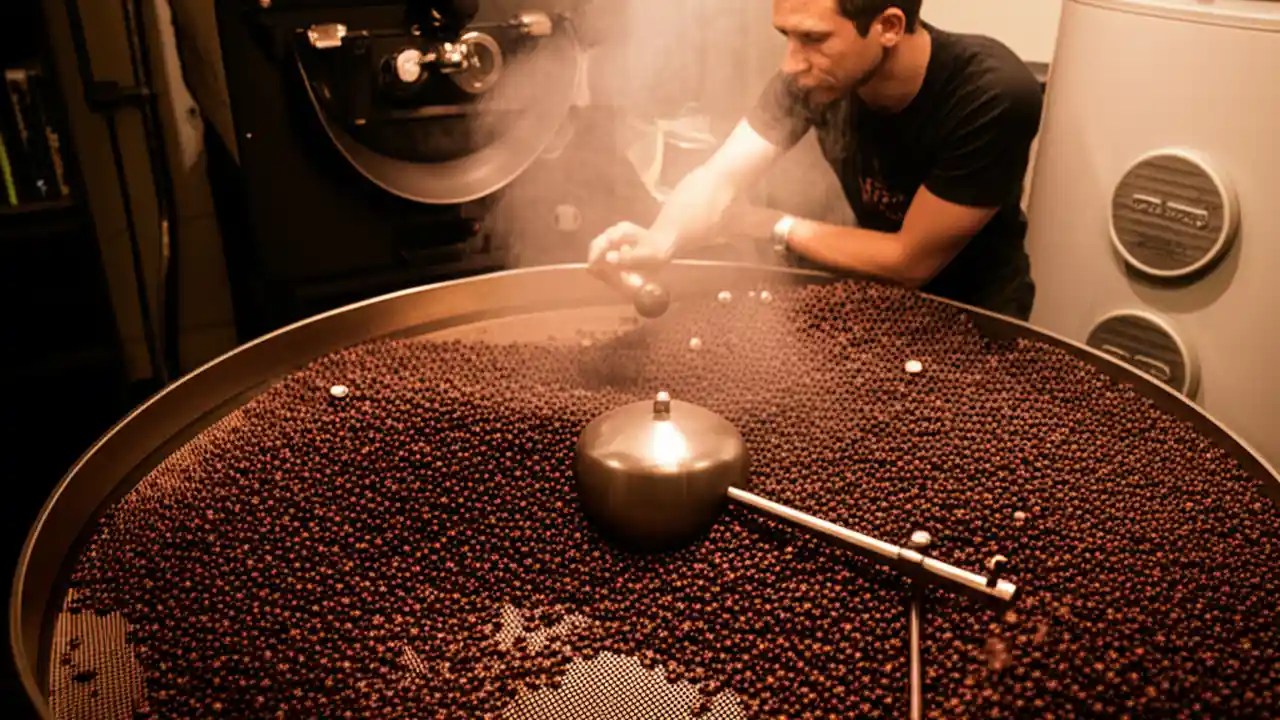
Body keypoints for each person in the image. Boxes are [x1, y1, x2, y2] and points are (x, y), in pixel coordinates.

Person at [587, 0, 1045, 320]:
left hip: (976, 315)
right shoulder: (816, 78)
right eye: (786, 36)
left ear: (888, 26)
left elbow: (909, 260)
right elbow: (718, 177)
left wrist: (767, 224)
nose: (791, 63)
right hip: (879, 301)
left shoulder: (991, 93)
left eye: (813, 38)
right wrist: (660, 240)